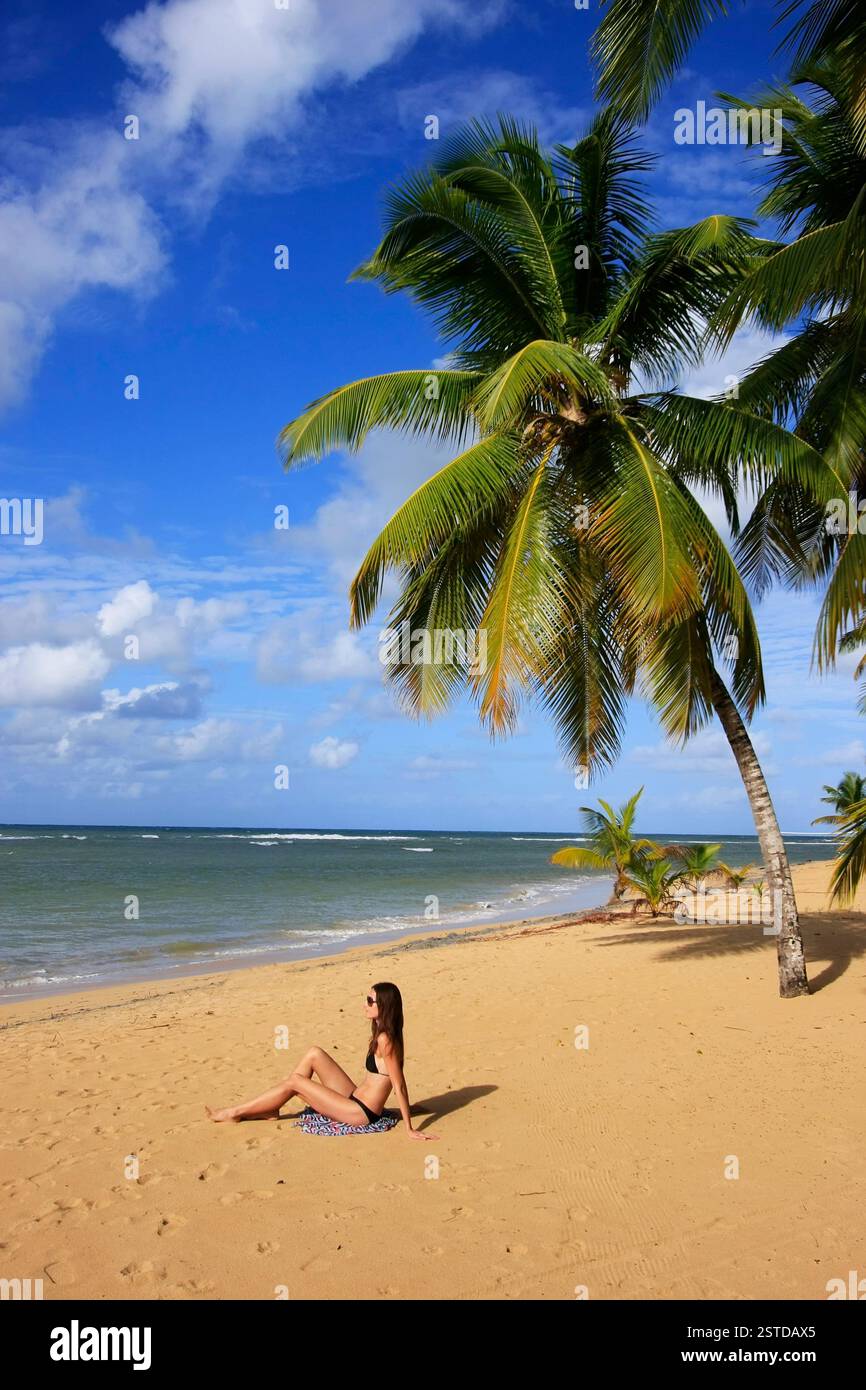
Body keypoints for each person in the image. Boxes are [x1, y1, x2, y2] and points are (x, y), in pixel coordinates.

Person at [206, 981, 437, 1140]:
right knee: (314, 1053)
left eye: (369, 1000)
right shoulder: (381, 1031)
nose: (364, 1004)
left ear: (383, 1006)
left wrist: (409, 1128)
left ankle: (235, 1112)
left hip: (360, 1113)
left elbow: (399, 1084)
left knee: (295, 1081)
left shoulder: (386, 1040)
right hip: (354, 1098)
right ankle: (273, 1107)